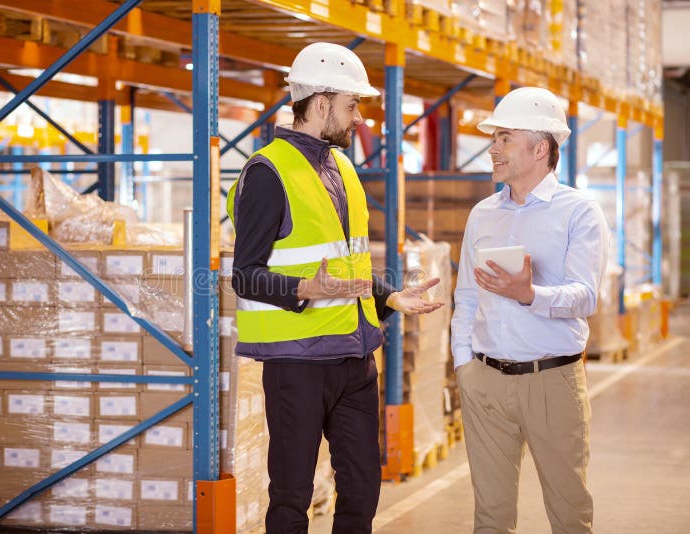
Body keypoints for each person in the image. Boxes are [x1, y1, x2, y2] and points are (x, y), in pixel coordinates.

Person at [226, 42, 443, 533]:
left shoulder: (342, 168)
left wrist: (388, 296)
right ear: (320, 104)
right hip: (297, 363)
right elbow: (244, 274)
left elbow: (348, 264)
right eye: (352, 106)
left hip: (354, 356)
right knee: (291, 495)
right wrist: (305, 287)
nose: (360, 119)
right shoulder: (267, 173)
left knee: (364, 488)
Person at [451, 86, 610, 533]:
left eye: (504, 137)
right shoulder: (483, 213)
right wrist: (464, 364)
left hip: (551, 382)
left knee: (568, 512)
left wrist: (530, 294)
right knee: (490, 517)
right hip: (485, 381)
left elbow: (585, 295)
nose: (493, 147)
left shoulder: (578, 212)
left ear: (540, 148)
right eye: (494, 138)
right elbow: (466, 295)